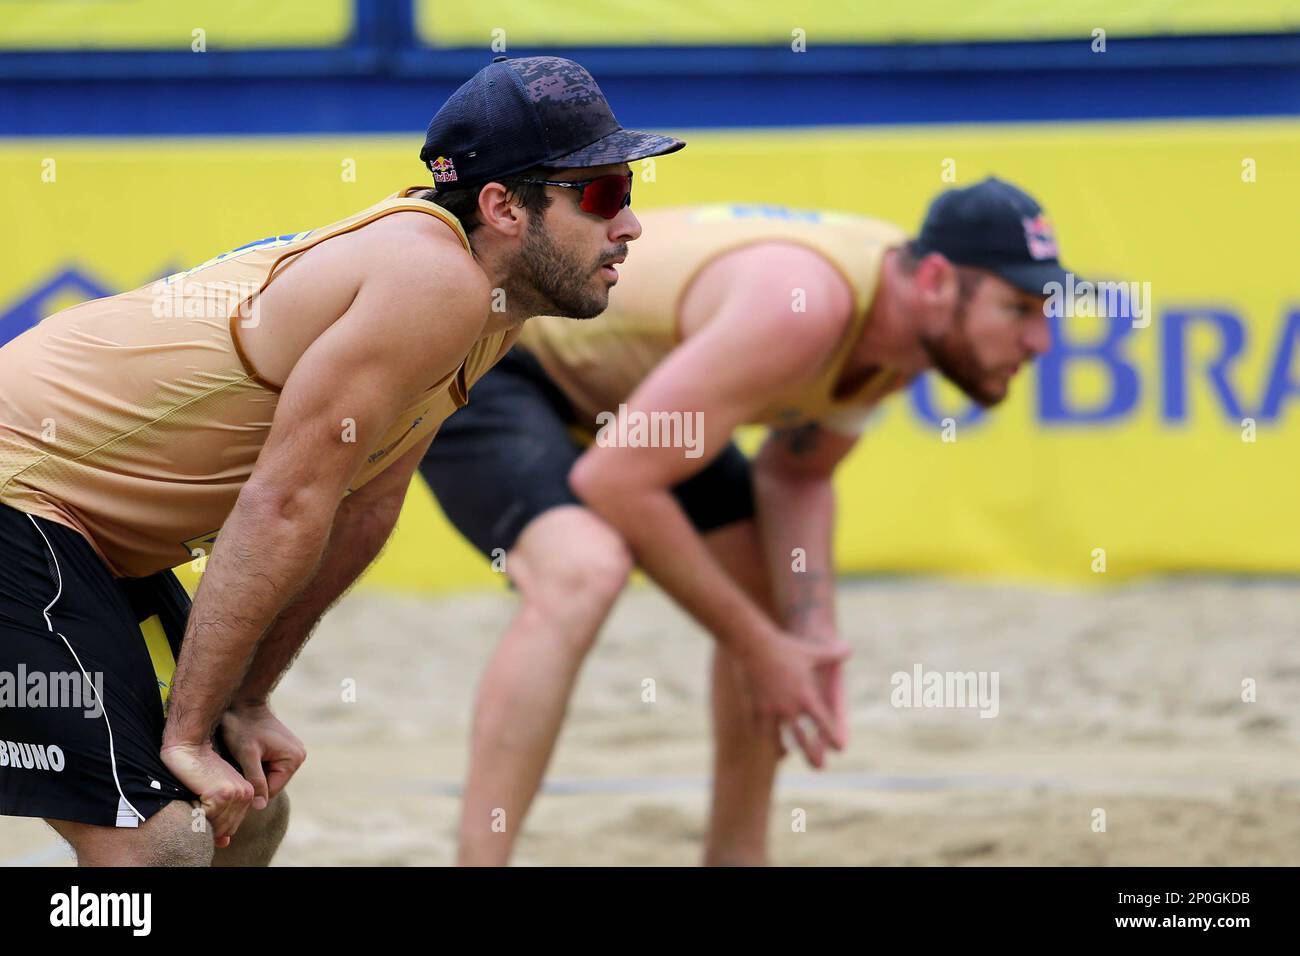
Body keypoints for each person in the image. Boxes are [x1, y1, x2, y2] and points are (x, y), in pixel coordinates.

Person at [0, 54, 684, 865]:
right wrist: (187, 735)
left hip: (86, 533)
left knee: (247, 817)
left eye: (629, 191)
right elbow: (282, 503)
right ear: (502, 205)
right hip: (24, 495)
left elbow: (362, 508)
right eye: (603, 194)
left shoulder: (493, 307)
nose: (631, 224)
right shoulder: (430, 277)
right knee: (162, 848)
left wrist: (245, 701)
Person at [420, 177, 1070, 865]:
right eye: (1019, 307)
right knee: (584, 572)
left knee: (774, 609)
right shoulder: (807, 308)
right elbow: (612, 480)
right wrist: (761, 646)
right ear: (938, 280)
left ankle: (738, 856)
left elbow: (798, 472)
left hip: (630, 394)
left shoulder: (911, 320)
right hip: (504, 356)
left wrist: (810, 632)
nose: (1041, 340)